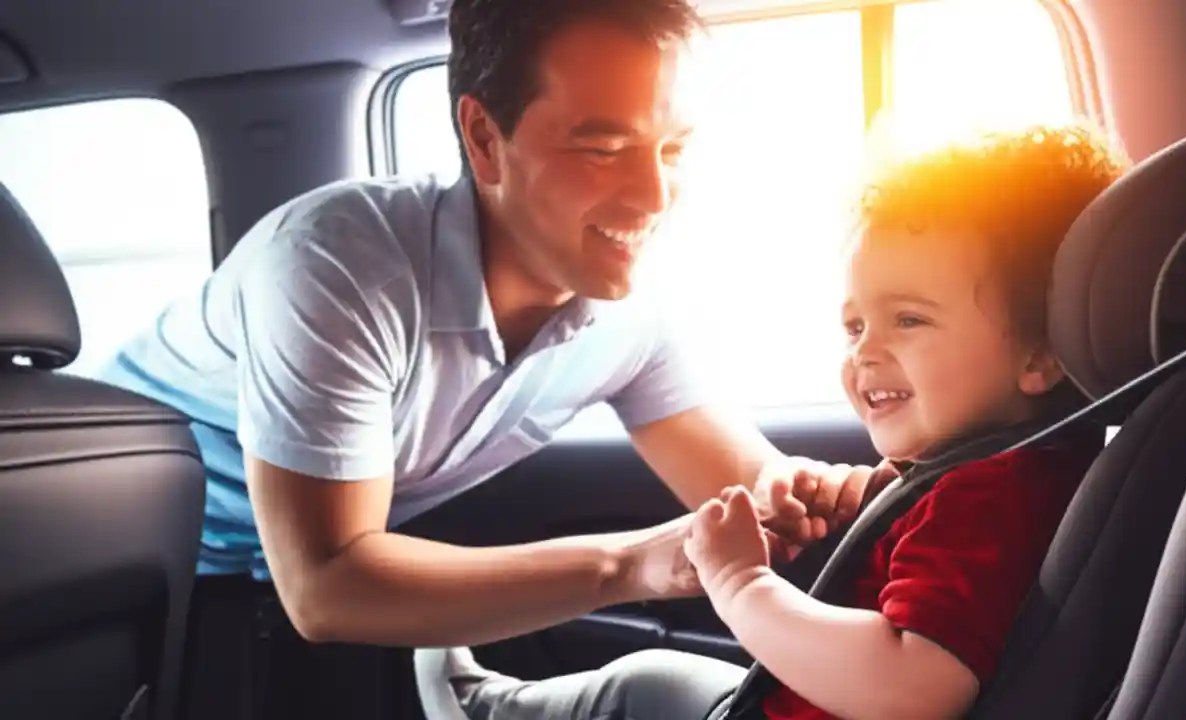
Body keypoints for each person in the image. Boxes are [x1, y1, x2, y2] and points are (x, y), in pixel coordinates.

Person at [95, 1, 867, 718]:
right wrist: (630, 563)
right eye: (603, 149)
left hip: (260, 583)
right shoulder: (341, 265)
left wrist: (804, 492)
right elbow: (327, 586)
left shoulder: (631, 313)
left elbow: (745, 485)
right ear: (485, 139)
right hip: (119, 560)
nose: (654, 195)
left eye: (673, 148)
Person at [448, 124, 1129, 720]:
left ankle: (477, 705)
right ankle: (488, 702)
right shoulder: (1030, 464)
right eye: (856, 324)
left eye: (909, 319)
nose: (865, 351)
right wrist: (869, 502)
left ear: (1040, 353)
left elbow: (911, 688)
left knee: (635, 692)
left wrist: (742, 585)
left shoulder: (989, 495)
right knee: (649, 681)